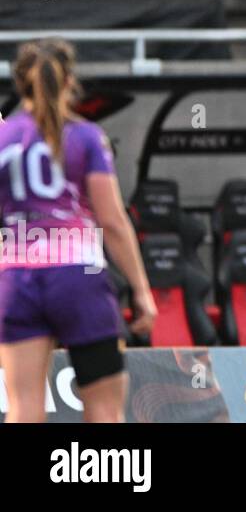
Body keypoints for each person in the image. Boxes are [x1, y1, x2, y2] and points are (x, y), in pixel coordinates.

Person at [0, 38, 155, 423]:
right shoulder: (86, 137)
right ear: (70, 81)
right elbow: (113, 222)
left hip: (16, 279)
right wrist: (141, 290)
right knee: (104, 409)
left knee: (22, 407)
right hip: (78, 275)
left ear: (20, 84)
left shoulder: (3, 139)